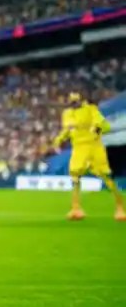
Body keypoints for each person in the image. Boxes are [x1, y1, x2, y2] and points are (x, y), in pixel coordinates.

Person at [55, 92, 125, 221]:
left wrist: (96, 129)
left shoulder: (91, 110)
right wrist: (59, 140)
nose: (74, 104)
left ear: (81, 100)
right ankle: (76, 209)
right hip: (79, 148)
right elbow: (68, 129)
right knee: (75, 175)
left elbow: (105, 126)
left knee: (106, 176)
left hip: (94, 147)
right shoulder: (68, 113)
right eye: (71, 101)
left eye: (76, 101)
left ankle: (120, 207)